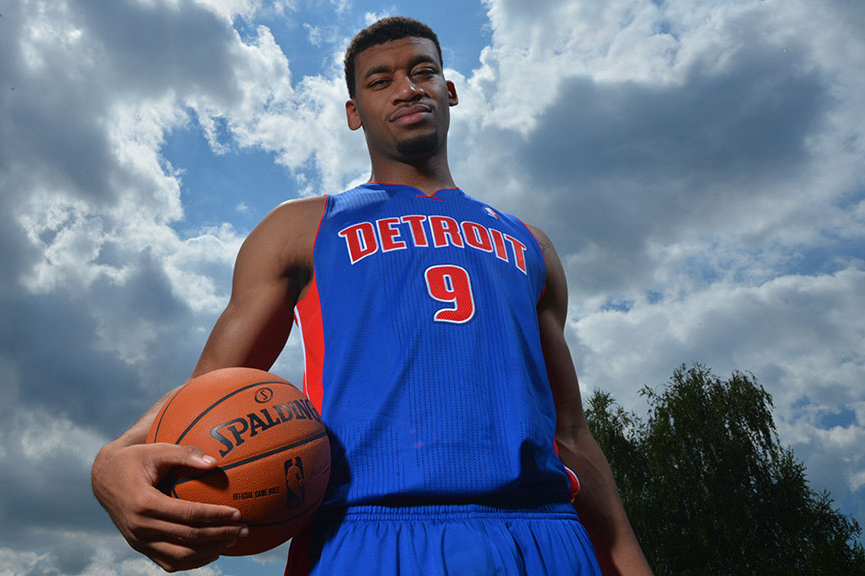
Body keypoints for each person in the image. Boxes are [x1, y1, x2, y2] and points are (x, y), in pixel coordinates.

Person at [92, 16, 652, 575]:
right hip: (366, 534)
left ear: (449, 91)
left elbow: (570, 432)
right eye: (380, 81)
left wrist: (628, 562)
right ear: (353, 112)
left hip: (543, 534)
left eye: (422, 72)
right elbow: (206, 391)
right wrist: (110, 462)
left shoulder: (532, 244)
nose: (407, 89)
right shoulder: (300, 228)